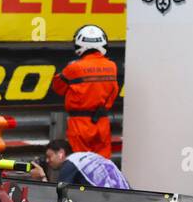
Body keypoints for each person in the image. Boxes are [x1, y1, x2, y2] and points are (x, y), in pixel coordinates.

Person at [52, 24, 119, 159]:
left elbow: (58, 88)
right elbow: (114, 92)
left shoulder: (74, 68)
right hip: (102, 122)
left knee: (81, 163)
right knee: (102, 164)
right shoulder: (112, 66)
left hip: (80, 124)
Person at [32, 138, 130, 189]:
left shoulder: (70, 164)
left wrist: (42, 177)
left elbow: (59, 199)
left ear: (61, 153)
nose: (48, 161)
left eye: (50, 156)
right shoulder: (86, 157)